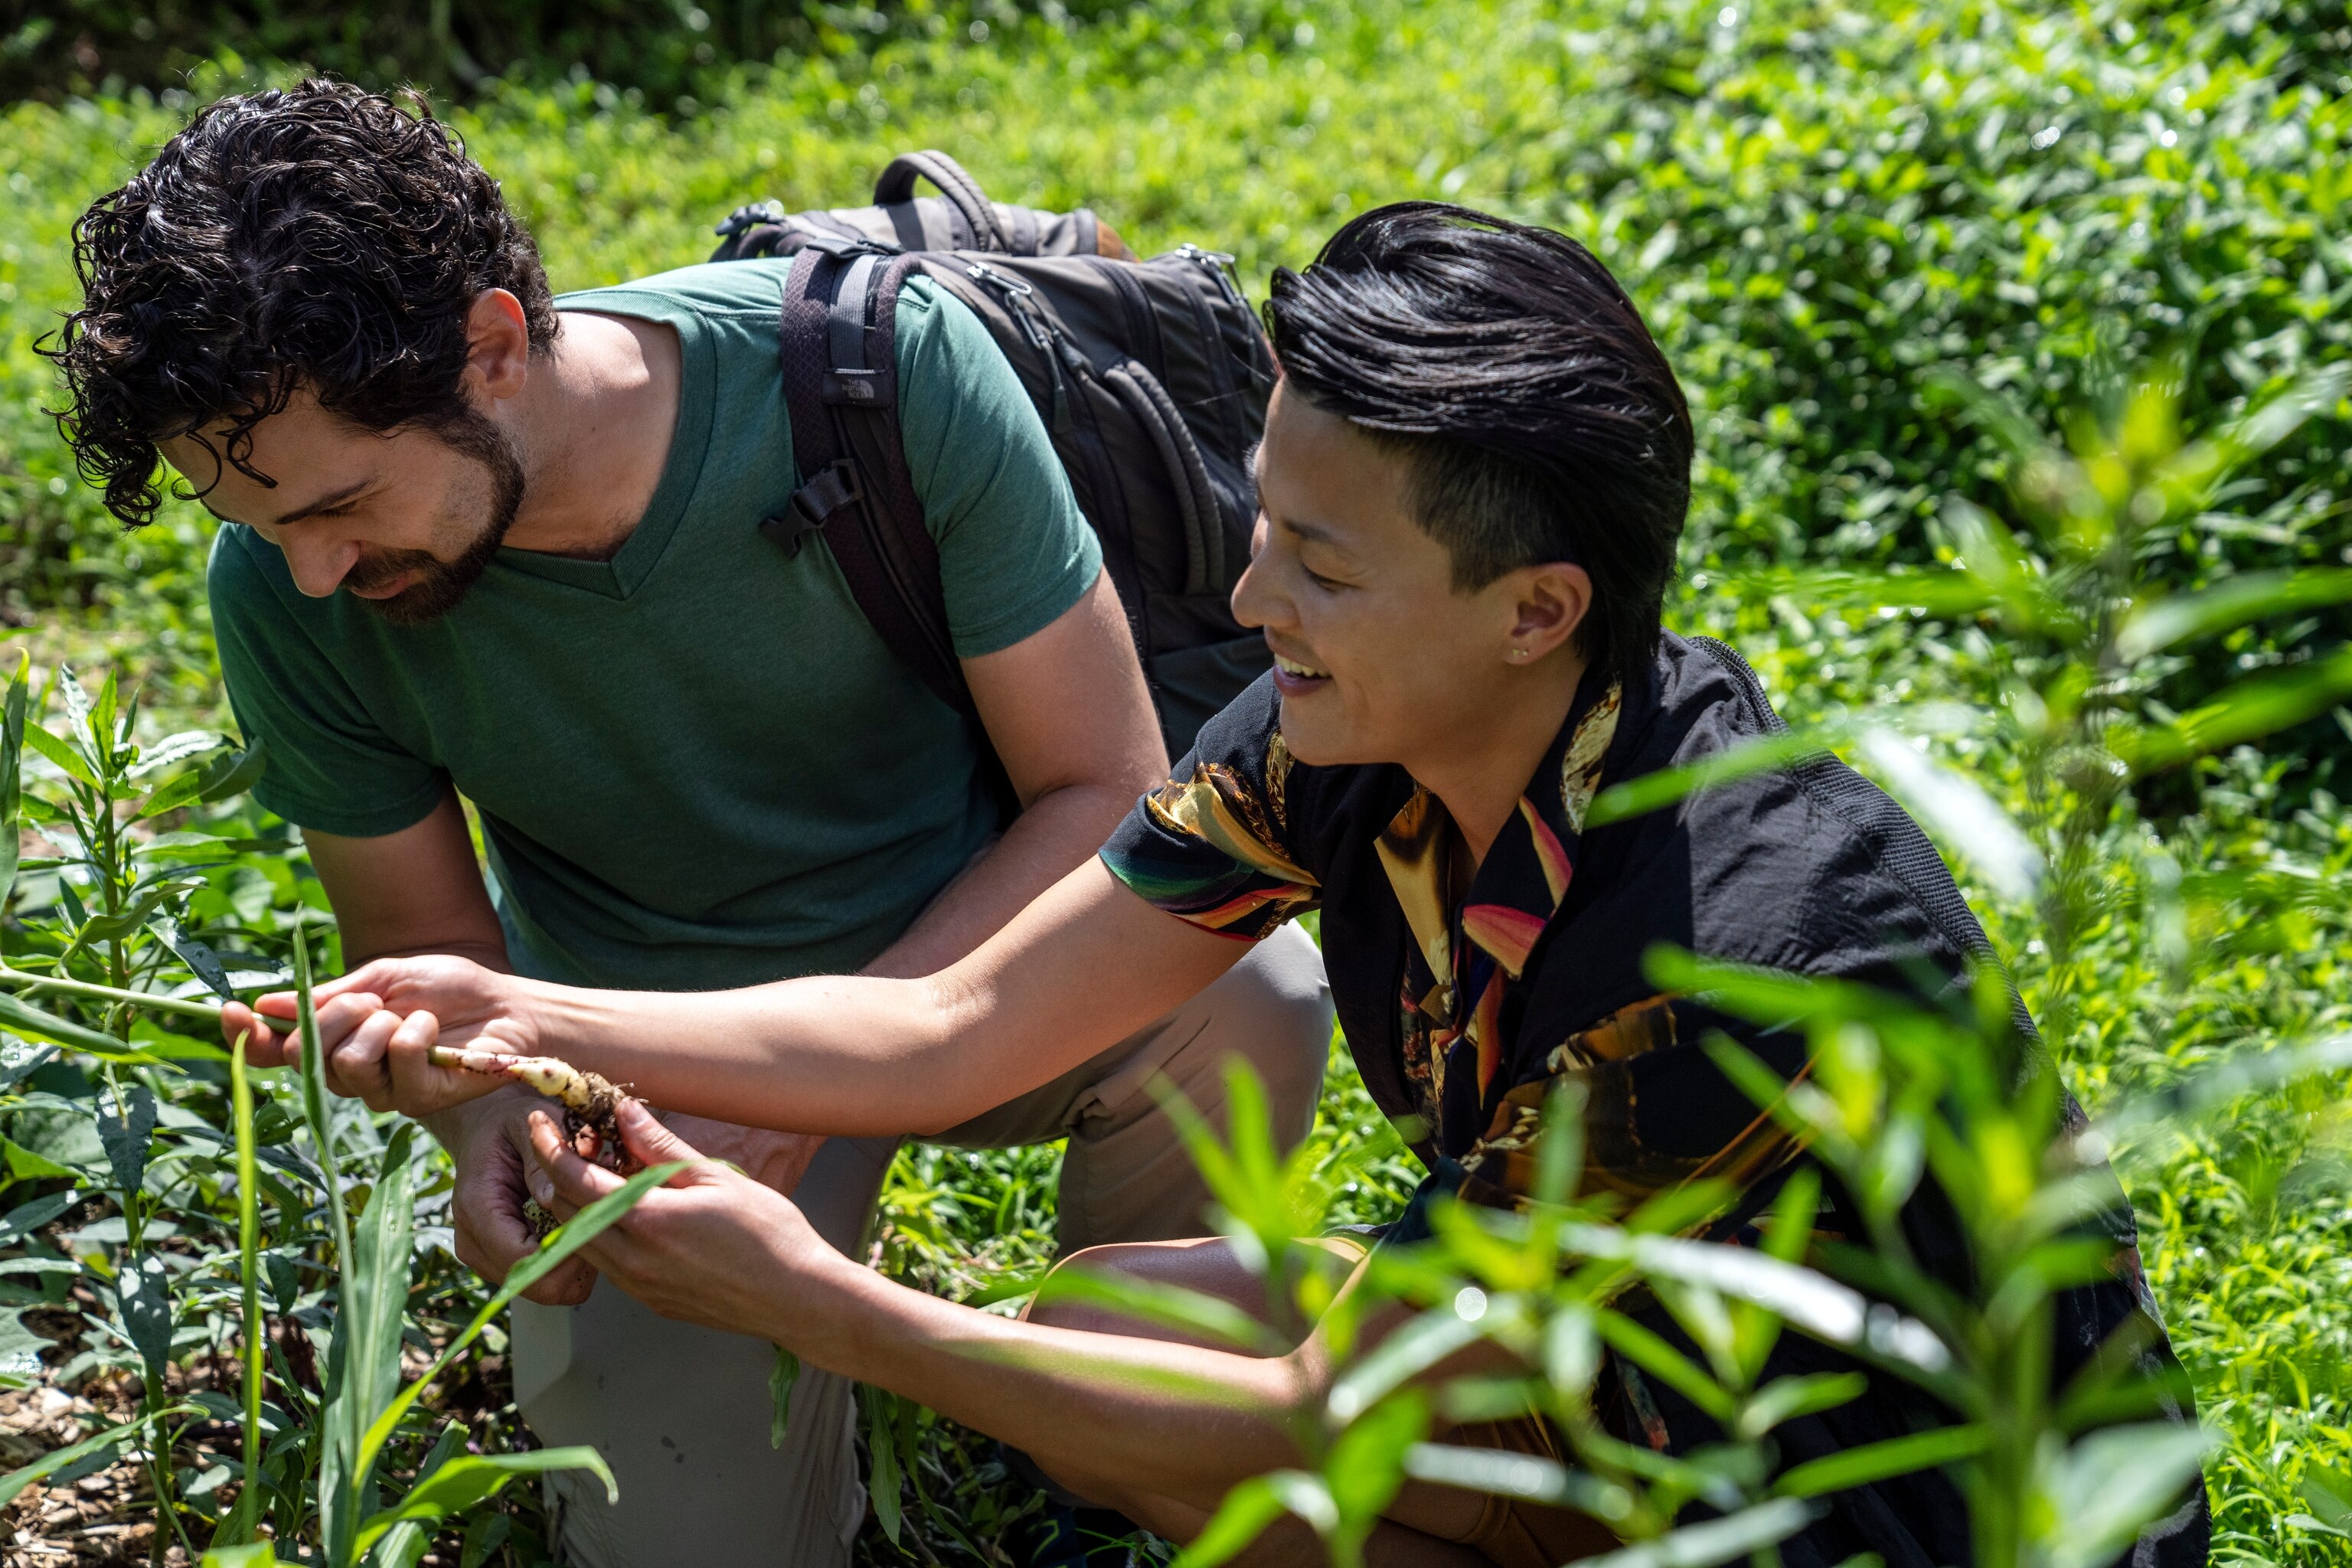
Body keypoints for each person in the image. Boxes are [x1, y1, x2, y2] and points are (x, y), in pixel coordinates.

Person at [256, 202, 2210, 1566]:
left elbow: (1309, 1417)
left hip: (1879, 1515)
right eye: (1264, 526)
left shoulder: (1712, 973)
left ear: (1539, 607)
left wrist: (842, 1313)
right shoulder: (1343, 748)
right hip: (1624, 1390)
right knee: (1116, 1316)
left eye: (1322, 568)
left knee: (1229, 1440)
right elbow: (960, 1023)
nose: (1251, 599)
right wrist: (526, 1012)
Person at [47, 80, 1334, 1568]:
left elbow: (1102, 797)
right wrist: (487, 1118)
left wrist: (806, 1083)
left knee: (1244, 987)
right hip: (640, 1078)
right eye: (267, 528)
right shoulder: (286, 585)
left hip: (991, 950)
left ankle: (1099, 1422)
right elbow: (425, 948)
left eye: (343, 504)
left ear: (495, 344)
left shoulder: (882, 374)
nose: (319, 573)